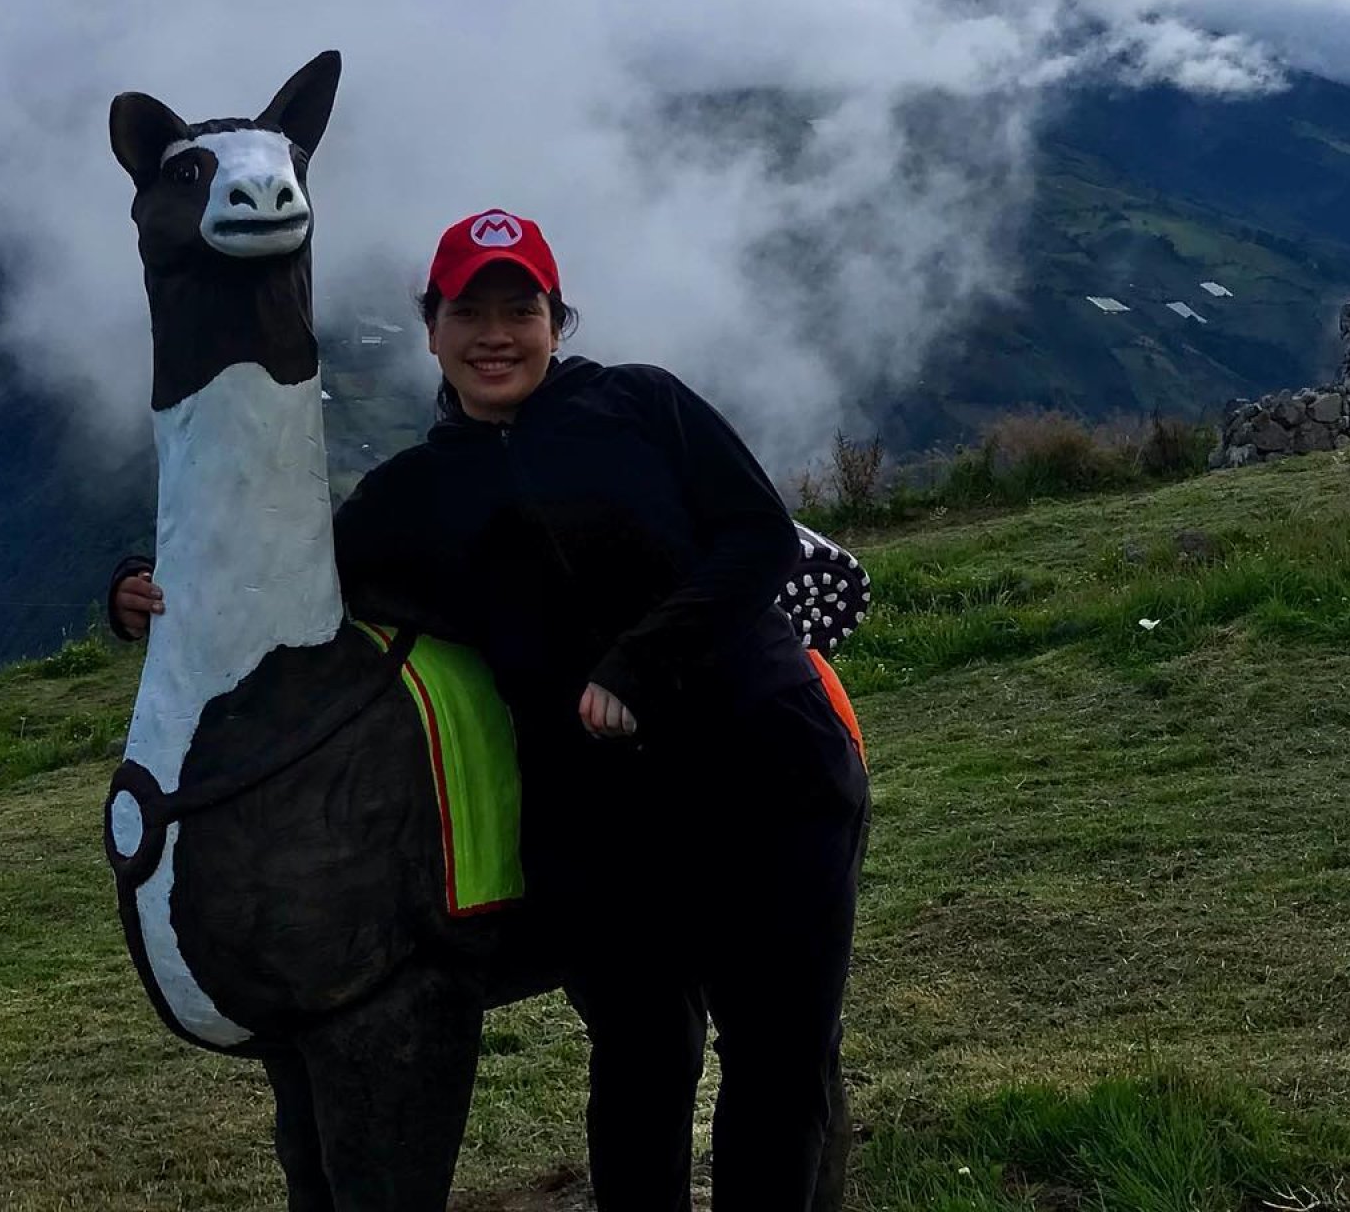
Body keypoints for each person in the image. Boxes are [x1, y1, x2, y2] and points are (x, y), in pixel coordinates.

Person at [111, 210, 869, 1212]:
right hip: (605, 817)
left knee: (777, 1055)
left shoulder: (642, 404)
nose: (496, 333)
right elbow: (288, 586)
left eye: (522, 308)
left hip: (768, 767)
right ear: (433, 328)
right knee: (641, 1055)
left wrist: (637, 666)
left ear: (558, 321)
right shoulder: (414, 495)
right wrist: (135, 585)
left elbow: (759, 537)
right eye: (471, 311)